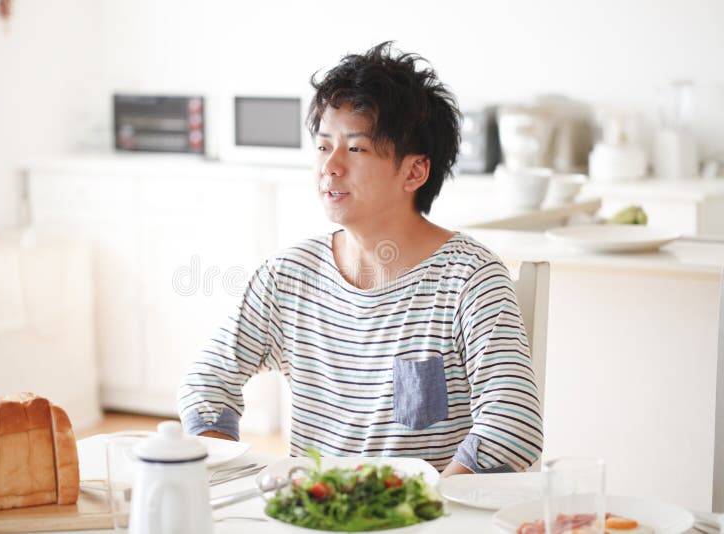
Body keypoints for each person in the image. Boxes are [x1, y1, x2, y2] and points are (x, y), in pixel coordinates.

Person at [177, 41, 542, 475]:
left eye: (356, 149)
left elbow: (513, 425)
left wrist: (431, 504)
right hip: (315, 513)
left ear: (414, 172)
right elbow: (205, 386)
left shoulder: (469, 278)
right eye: (322, 146)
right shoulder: (289, 275)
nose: (330, 166)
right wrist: (224, 474)